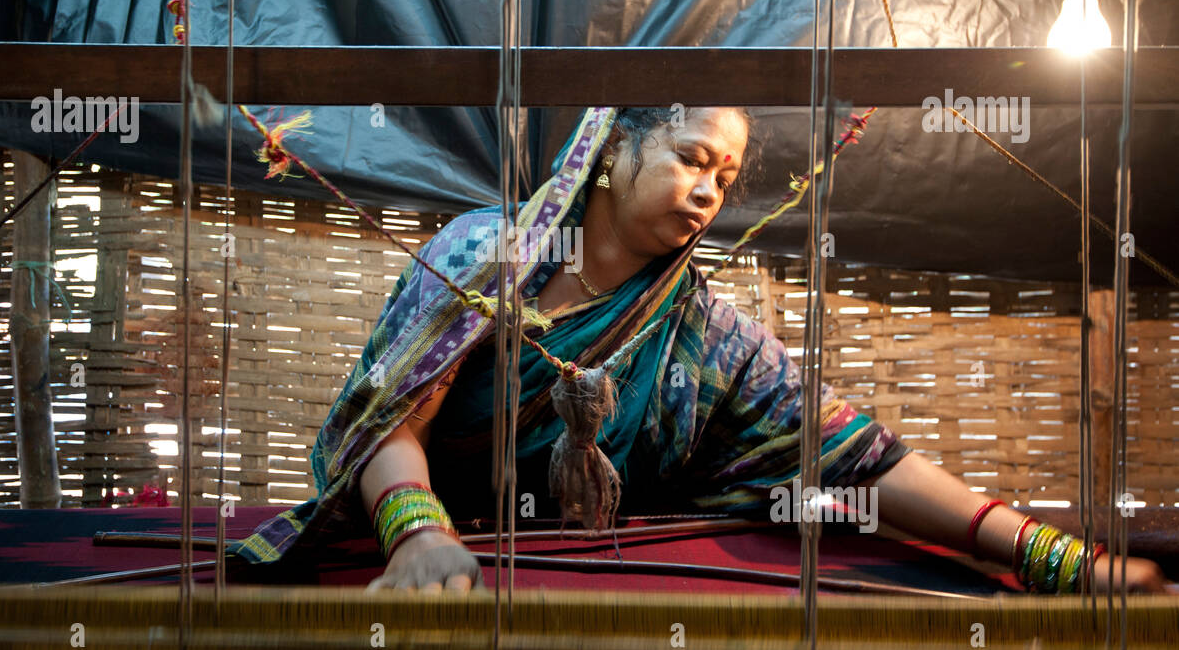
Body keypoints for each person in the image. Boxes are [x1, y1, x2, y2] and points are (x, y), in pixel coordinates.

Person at [227, 106, 1173, 597]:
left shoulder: (706, 333)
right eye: (689, 156)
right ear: (610, 149)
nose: (710, 189)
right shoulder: (485, 256)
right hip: (428, 569)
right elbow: (394, 418)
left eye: (725, 175)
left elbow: (855, 459)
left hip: (590, 594)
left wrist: (1050, 557)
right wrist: (419, 533)